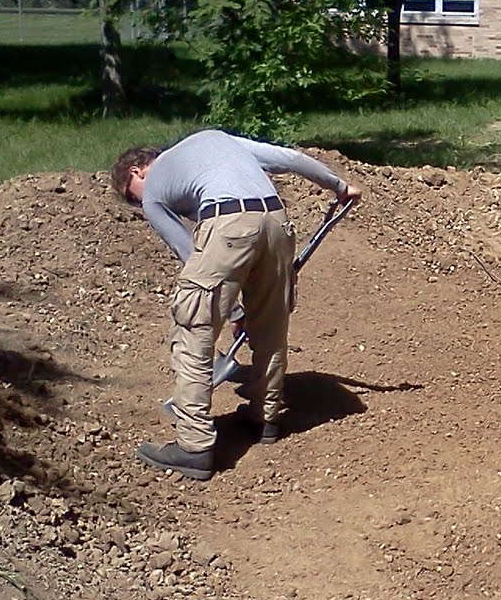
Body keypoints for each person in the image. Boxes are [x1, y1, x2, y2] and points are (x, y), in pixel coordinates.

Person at [111, 129, 362, 480]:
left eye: (131, 197)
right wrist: (339, 186)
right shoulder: (217, 140)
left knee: (193, 330)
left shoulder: (152, 192)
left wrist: (230, 310)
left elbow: (188, 251)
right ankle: (265, 417)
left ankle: (193, 446)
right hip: (276, 222)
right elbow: (290, 158)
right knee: (270, 326)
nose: (139, 205)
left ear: (136, 171)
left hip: (227, 223)